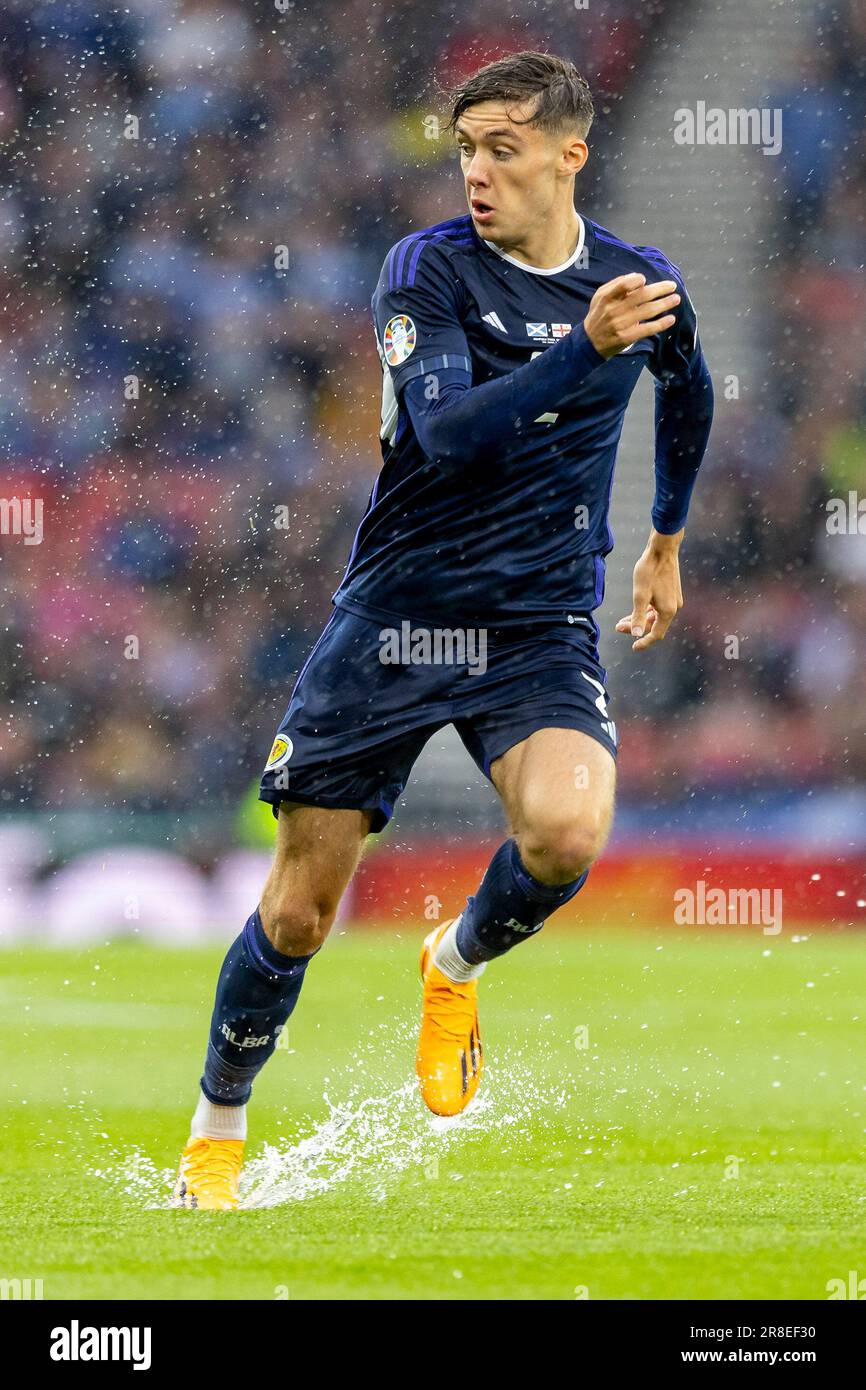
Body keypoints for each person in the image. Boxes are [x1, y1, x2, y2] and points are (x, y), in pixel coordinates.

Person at [173, 50, 713, 1210]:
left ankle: (451, 961)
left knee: (568, 831)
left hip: (534, 624)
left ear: (568, 155)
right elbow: (454, 437)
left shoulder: (633, 277)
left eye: (501, 150)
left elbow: (694, 389)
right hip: (396, 621)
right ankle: (217, 1129)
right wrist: (585, 351)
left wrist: (664, 539)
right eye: (465, 149)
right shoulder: (426, 271)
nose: (476, 172)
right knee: (299, 908)